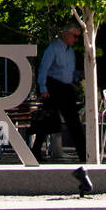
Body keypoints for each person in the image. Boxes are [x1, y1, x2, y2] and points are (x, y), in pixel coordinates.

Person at [32, 23, 92, 193]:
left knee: (73, 122)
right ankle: (36, 151)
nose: (76, 39)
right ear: (66, 35)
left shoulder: (70, 52)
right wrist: (43, 88)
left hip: (65, 88)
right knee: (48, 120)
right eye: (75, 36)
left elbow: (69, 73)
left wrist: (79, 75)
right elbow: (44, 68)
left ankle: (83, 154)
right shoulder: (53, 49)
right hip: (53, 87)